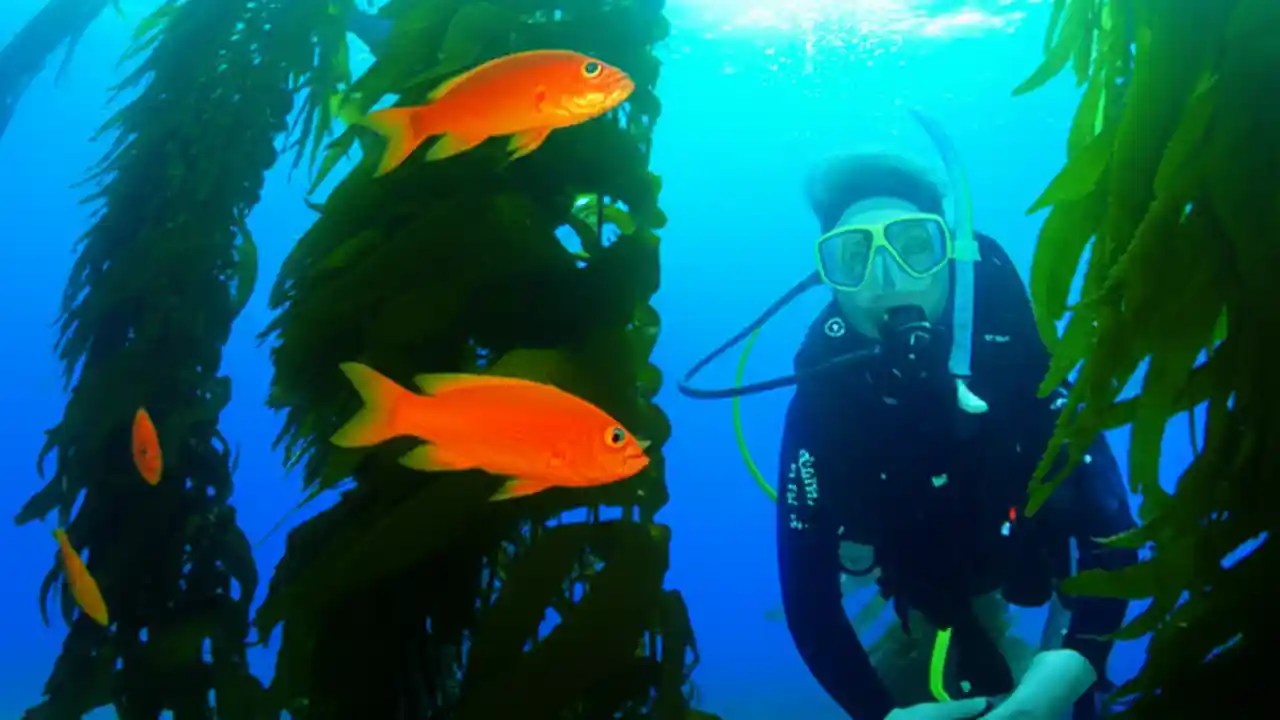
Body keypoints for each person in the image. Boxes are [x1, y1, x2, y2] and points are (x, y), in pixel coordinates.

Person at [677, 113, 1139, 720]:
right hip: (914, 577)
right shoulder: (826, 396)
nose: (888, 278)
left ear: (952, 253)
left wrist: (1080, 658)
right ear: (829, 278)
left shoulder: (1019, 355)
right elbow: (808, 596)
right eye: (853, 256)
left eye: (915, 244)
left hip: (1028, 558)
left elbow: (1111, 526)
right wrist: (878, 713)